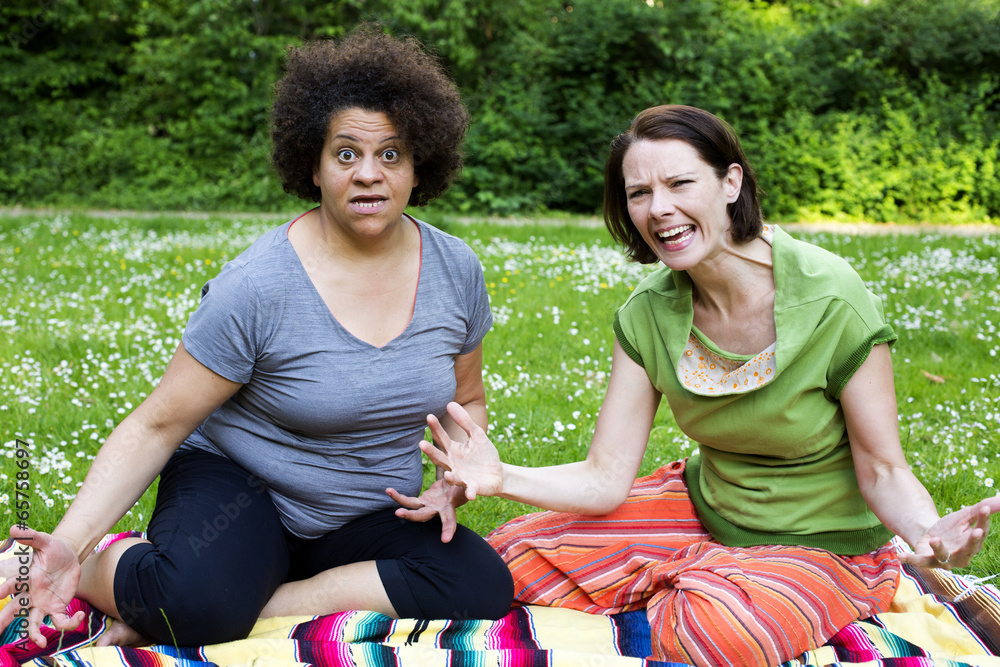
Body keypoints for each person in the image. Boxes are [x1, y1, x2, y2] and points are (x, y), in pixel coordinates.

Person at [414, 105, 1000, 667]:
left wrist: (926, 533)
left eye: (679, 184)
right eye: (639, 193)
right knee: (505, 560)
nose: (659, 209)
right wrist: (501, 478)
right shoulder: (648, 313)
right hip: (706, 507)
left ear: (731, 182)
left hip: (824, 541)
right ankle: (708, 570)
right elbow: (604, 477)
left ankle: (722, 583)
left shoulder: (830, 298)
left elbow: (883, 470)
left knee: (713, 634)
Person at [0, 25, 513, 650]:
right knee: (198, 604)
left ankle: (244, 602)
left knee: (481, 584)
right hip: (242, 493)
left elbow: (467, 401)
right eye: (345, 154)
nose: (369, 175)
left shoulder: (456, 270)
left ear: (418, 166)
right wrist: (67, 544)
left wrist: (453, 476)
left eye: (391, 154)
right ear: (313, 166)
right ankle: (108, 569)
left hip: (373, 507)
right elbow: (156, 425)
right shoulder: (257, 286)